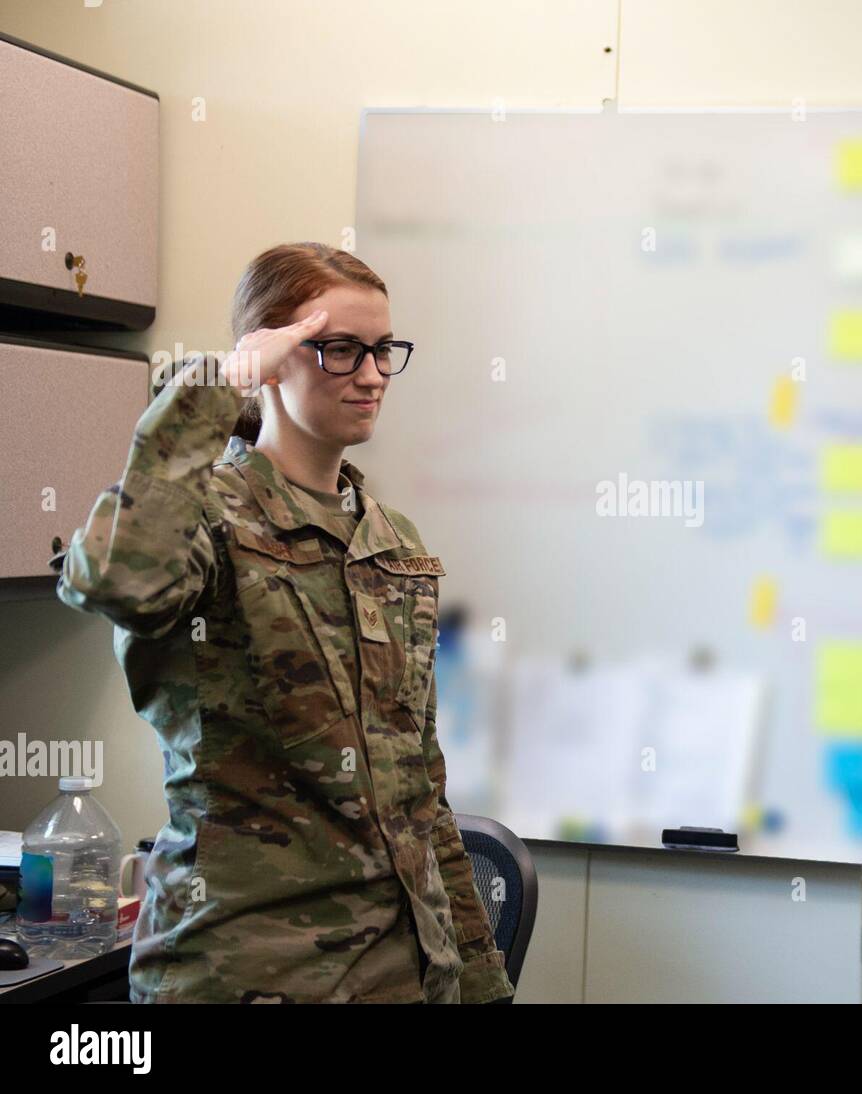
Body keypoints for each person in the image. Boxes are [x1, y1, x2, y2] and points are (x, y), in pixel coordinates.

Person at [51, 242, 513, 1003]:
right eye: (338, 350)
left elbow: (419, 793)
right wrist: (218, 384)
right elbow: (115, 578)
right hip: (248, 972)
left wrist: (481, 979)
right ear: (270, 357)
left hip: (403, 972)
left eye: (382, 350)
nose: (370, 375)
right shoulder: (207, 515)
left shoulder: (392, 541)